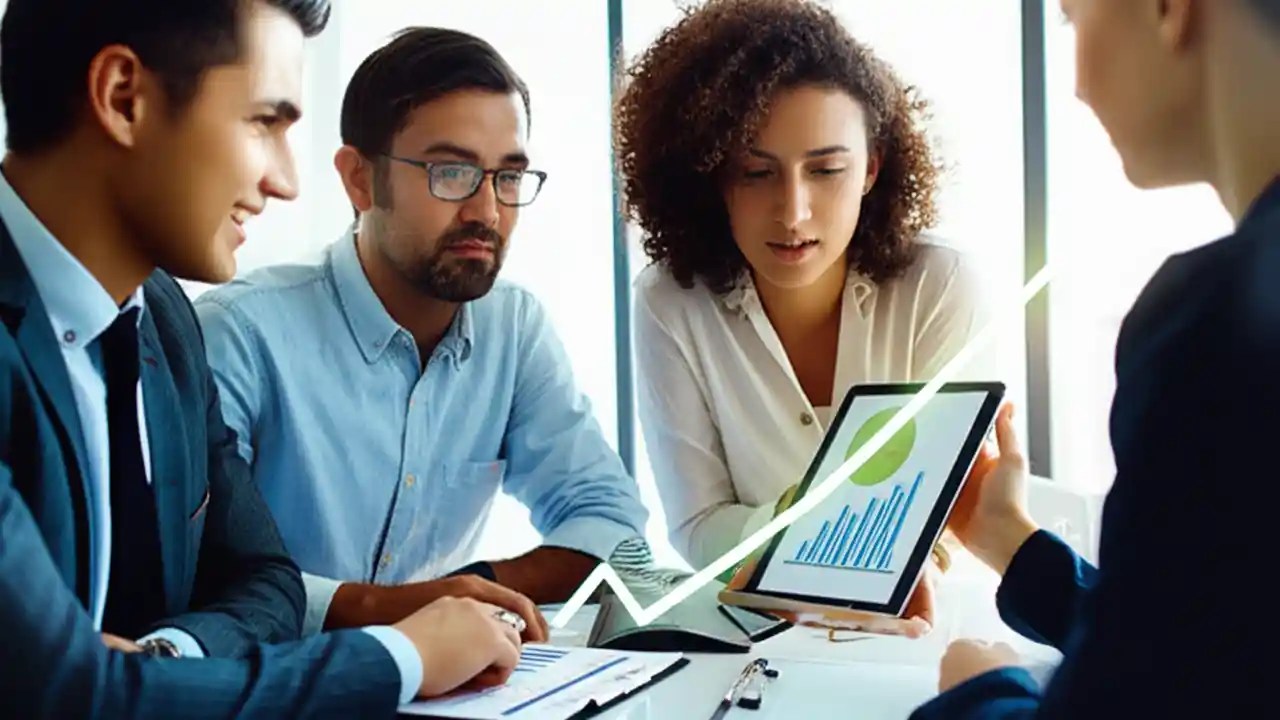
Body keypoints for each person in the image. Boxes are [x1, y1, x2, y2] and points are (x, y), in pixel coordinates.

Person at [0, 1, 525, 715]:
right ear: (124, 98)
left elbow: (266, 581)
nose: (286, 180)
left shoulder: (163, 322)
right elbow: (70, 695)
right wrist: (402, 654)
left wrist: (167, 660)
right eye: (263, 122)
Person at [194, 26, 651, 637]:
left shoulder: (512, 330)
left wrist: (476, 590)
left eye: (508, 177)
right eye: (452, 173)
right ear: (360, 179)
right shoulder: (241, 334)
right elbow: (199, 572)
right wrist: (401, 613)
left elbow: (611, 523)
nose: (487, 212)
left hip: (449, 688)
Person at [911, 0, 1280, 716]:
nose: (1075, 85)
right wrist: (1012, 541)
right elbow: (1218, 650)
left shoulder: (1220, 322)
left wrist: (978, 695)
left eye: (1071, 17)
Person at [620, 0, 987, 627]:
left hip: (918, 635)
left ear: (871, 167)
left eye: (826, 170)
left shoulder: (939, 285)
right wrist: (838, 526)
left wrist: (787, 538)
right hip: (753, 647)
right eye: (756, 173)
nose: (793, 211)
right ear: (712, 176)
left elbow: (945, 522)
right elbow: (698, 530)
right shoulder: (669, 302)